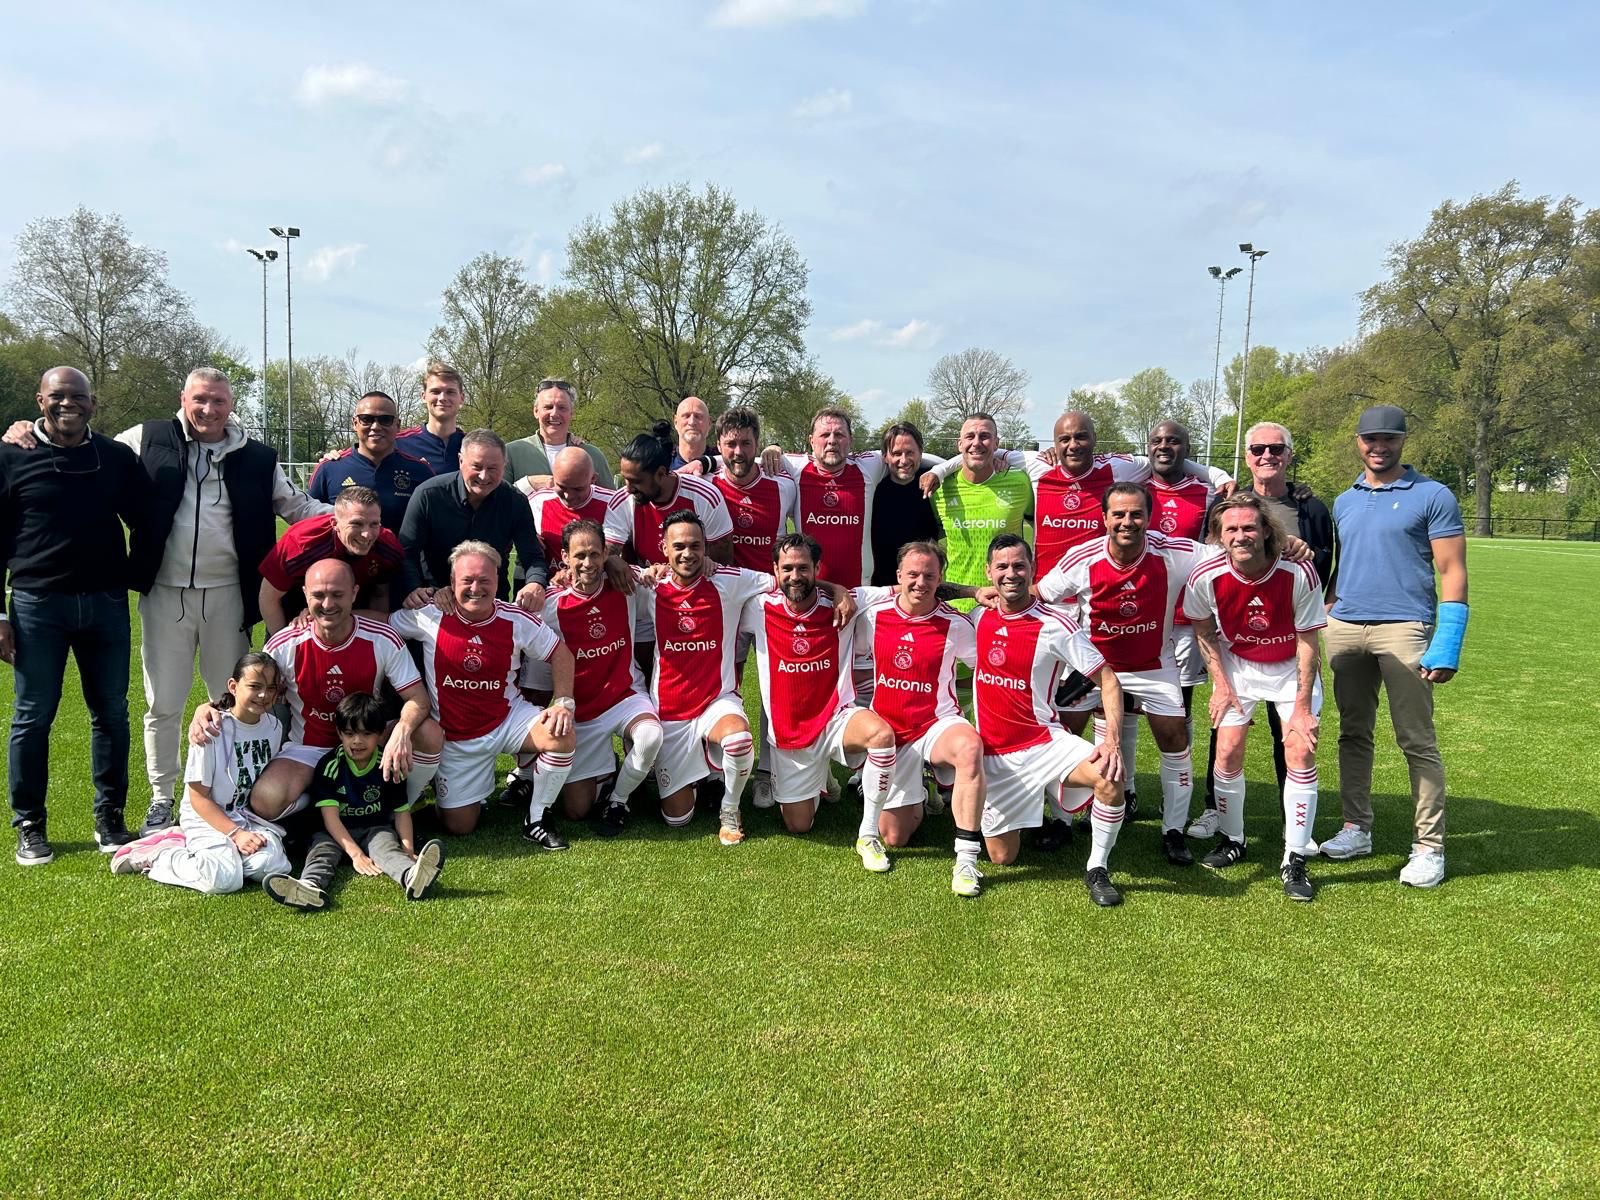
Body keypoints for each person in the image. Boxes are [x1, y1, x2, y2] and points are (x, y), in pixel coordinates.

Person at [2, 365, 328, 836]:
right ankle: (160, 798)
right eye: (200, 399)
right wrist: (24, 431)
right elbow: (79, 442)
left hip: (228, 597)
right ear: (183, 399)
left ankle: (235, 796)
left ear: (230, 404)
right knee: (164, 704)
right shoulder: (143, 438)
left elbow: (296, 507)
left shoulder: (257, 457)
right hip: (164, 594)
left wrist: (350, 515)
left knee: (237, 704)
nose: (208, 410)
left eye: (218, 401)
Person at [1, 366, 151, 864]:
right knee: (32, 715)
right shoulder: (10, 454)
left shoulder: (113, 457)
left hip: (105, 604)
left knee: (111, 713)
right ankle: (30, 823)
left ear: (93, 403)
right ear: (40, 399)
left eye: (79, 397)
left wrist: (136, 575)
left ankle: (110, 817)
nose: (69, 404)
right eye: (58, 396)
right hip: (36, 604)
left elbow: (146, 520)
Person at [1318, 405, 1468, 888]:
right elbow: (1345, 562)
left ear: (1403, 440)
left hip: (1405, 628)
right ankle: (1355, 827)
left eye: (1388, 439)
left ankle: (1429, 847)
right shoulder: (1345, 499)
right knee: (1352, 734)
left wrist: (1448, 639)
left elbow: (1452, 571)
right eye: (1369, 440)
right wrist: (1330, 606)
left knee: (1416, 741)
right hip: (1344, 627)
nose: (1378, 447)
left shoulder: (1433, 495)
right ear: (1358, 442)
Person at [1036, 483, 1219, 866]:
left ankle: (1173, 830)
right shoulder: (1081, 557)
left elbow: (1228, 554)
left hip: (1153, 665)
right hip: (1092, 667)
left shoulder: (1175, 552)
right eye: (1118, 514)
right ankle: (1061, 820)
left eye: (1136, 514)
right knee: (1063, 732)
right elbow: (1042, 594)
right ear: (1104, 518)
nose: (1127, 522)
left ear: (1148, 517)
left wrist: (1284, 545)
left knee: (1174, 734)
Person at [189, 558, 443, 825]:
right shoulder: (285, 644)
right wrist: (206, 708)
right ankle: (328, 811)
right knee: (265, 801)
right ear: (305, 596)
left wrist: (401, 731)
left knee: (428, 733)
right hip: (308, 748)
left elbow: (418, 700)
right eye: (318, 595)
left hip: (368, 740)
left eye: (337, 595)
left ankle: (396, 809)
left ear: (355, 593)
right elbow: (248, 690)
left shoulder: (382, 638)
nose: (328, 604)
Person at [1192, 421, 1334, 838]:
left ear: (1289, 455)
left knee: (1293, 740)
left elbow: (1322, 560)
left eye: (1275, 448)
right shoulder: (1226, 508)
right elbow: (1211, 574)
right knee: (1227, 741)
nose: (1266, 455)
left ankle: (1294, 834)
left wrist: (1306, 573)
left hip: (1290, 640)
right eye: (1257, 448)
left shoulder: (1309, 507)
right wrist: (1219, 681)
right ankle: (1222, 821)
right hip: (1241, 652)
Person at [972, 534, 1127, 906]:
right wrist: (973, 591)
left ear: (1033, 569)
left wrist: (1112, 743)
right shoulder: (978, 616)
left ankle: (1097, 866)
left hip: (1044, 744)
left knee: (1109, 776)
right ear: (989, 572)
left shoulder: (1056, 624)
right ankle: (1035, 808)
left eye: (1019, 565)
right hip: (996, 756)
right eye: (1003, 567)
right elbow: (928, 589)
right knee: (1002, 858)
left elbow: (1108, 679)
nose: (1012, 574)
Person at [1184, 494, 1326, 900]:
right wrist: (1223, 685)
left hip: (1289, 667)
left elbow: (1308, 641)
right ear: (1218, 535)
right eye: (1232, 529)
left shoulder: (1298, 572)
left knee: (1299, 750)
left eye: (1249, 527)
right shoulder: (1205, 575)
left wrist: (1301, 708)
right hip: (1239, 667)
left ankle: (1295, 856)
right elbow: (1203, 630)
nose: (1241, 535)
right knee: (1226, 751)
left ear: (1266, 530)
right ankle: (1233, 839)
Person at [388, 541, 577, 842]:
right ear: (451, 583)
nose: (476, 588)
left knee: (561, 732)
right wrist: (330, 617)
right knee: (459, 826)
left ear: (498, 583)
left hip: (507, 719)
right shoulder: (429, 614)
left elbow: (560, 653)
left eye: (485, 581)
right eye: (467, 580)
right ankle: (444, 788)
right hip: (457, 738)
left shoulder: (514, 618)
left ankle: (537, 817)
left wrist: (564, 702)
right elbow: (383, 626)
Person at [740, 534, 895, 872]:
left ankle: (868, 834)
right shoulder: (757, 607)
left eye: (804, 568)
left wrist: (972, 593)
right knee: (799, 826)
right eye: (788, 569)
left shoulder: (844, 606)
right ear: (775, 571)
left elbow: (908, 588)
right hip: (790, 732)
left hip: (837, 717)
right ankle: (823, 777)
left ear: (817, 569)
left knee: (881, 737)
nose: (796, 576)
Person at [922, 410, 1231, 579]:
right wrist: (939, 471)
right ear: (1054, 444)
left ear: (1095, 439)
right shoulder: (1038, 467)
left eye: (1081, 437)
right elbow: (979, 452)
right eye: (1065, 439)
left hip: (1098, 588)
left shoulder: (1117, 469)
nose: (1073, 445)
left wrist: (1216, 474)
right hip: (1047, 590)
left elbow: (1164, 459)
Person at [855, 542, 989, 897]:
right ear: (898, 576)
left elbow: (983, 674)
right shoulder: (873, 615)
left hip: (936, 723)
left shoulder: (956, 625)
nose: (920, 582)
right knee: (896, 837)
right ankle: (927, 787)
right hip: (890, 732)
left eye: (929, 575)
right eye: (912, 574)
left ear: (940, 578)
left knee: (969, 748)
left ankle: (966, 859)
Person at [110, 652, 292, 893]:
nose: (263, 695)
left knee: (271, 866)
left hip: (243, 815)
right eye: (254, 686)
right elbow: (198, 797)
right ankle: (161, 853)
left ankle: (224, 855)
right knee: (225, 880)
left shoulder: (274, 727)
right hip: (204, 816)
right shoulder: (210, 729)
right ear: (233, 686)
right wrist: (236, 835)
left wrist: (242, 833)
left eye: (270, 688)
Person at [524, 520, 661, 837]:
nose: (588, 563)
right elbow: (516, 630)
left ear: (606, 555)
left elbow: (665, 581)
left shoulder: (626, 585)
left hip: (624, 696)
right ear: (565, 557)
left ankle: (618, 801)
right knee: (576, 810)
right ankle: (610, 769)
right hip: (581, 711)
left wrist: (653, 570)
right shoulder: (552, 604)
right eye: (580, 555)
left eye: (595, 555)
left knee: (650, 736)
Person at [644, 512, 772, 843]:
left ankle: (729, 808)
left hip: (717, 700)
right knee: (678, 818)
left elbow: (782, 579)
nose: (688, 554)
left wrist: (835, 590)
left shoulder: (729, 580)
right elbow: (602, 572)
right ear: (664, 548)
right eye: (679, 546)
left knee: (740, 741)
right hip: (671, 710)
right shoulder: (648, 586)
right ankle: (709, 771)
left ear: (706, 549)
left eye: (696, 546)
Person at [262, 692, 447, 910]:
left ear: (380, 736)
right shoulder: (330, 766)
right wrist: (356, 855)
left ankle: (411, 876)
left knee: (387, 849)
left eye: (366, 734)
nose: (357, 741)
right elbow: (330, 819)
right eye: (349, 733)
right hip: (334, 832)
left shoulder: (386, 764)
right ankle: (308, 887)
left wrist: (407, 848)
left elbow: (401, 811)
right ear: (340, 734)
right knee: (322, 852)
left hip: (374, 828)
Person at [764, 407, 942, 589]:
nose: (832, 441)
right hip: (812, 592)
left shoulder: (868, 466)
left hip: (861, 594)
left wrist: (940, 471)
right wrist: (772, 448)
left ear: (850, 440)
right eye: (825, 435)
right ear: (811, 440)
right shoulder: (795, 467)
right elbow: (747, 464)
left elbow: (915, 456)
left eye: (839, 435)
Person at [398, 429, 548, 610]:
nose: (484, 476)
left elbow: (532, 556)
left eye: (492, 468)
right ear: (461, 461)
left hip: (490, 603)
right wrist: (414, 589)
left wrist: (535, 583)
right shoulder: (429, 495)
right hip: (436, 601)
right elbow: (407, 552)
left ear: (504, 465)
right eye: (476, 467)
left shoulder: (515, 501)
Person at [258, 486, 405, 633]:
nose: (367, 534)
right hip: (297, 618)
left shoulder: (387, 547)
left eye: (374, 524)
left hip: (356, 613)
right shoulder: (302, 543)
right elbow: (269, 598)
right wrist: (282, 643)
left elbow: (380, 594)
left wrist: (375, 637)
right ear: (335, 524)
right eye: (356, 524)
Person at [926, 413, 1032, 610]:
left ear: (996, 443)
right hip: (956, 605)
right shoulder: (940, 489)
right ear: (959, 444)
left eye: (984, 436)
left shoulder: (1020, 482)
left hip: (1005, 604)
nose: (976, 443)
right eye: (970, 437)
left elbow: (1038, 526)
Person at [308, 390, 434, 532]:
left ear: (397, 425)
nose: (375, 426)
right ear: (355, 423)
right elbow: (309, 526)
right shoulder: (329, 469)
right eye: (366, 419)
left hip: (400, 554)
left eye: (385, 420)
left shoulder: (420, 471)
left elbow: (435, 529)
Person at [710, 408, 797, 573]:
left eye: (746, 443)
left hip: (767, 591)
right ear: (718, 446)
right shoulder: (708, 484)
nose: (738, 452)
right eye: (730, 444)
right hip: (725, 590)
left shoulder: (783, 484)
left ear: (757, 444)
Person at [869, 422, 943, 588]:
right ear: (885, 457)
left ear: (920, 453)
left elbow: (966, 461)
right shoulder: (872, 489)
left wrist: (997, 459)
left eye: (910, 452)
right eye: (896, 453)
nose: (904, 460)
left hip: (923, 587)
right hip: (881, 588)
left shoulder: (935, 487)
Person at [517, 446, 616, 571]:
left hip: (601, 588)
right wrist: (525, 534)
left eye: (578, 489)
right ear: (553, 477)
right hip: (551, 587)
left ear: (593, 479)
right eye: (562, 487)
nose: (568, 496)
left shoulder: (613, 504)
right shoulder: (538, 502)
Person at [505, 378, 615, 488]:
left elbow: (611, 501)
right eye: (548, 407)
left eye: (562, 408)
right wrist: (528, 484)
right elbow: (495, 500)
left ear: (572, 413)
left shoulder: (592, 455)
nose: (554, 413)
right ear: (536, 411)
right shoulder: (511, 453)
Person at [393, 361, 466, 474]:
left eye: (450, 392)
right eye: (435, 391)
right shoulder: (399, 444)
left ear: (462, 398)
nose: (442, 398)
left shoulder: (473, 446)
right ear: (423, 396)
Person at [670, 395, 714, 472]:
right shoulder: (662, 464)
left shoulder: (722, 466)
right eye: (686, 416)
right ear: (676, 422)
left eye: (698, 416)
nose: (692, 422)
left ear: (709, 423)